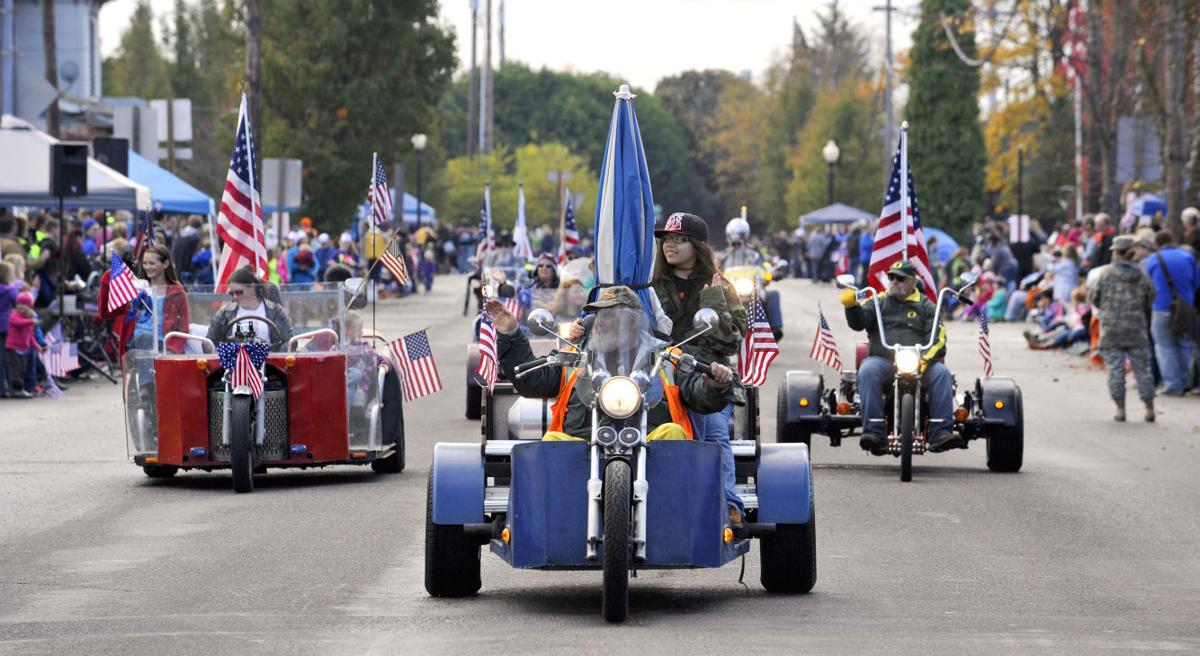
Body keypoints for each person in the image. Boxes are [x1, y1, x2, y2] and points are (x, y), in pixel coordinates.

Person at [486, 286, 732, 489]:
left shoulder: (667, 357)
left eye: (613, 315)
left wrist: (713, 385)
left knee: (672, 432)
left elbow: (699, 395)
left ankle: (672, 516)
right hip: (582, 444)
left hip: (650, 444)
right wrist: (511, 333)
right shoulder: (574, 356)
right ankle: (556, 520)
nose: (603, 322)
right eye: (600, 316)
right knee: (553, 440)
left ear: (635, 322)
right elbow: (531, 382)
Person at [652, 212, 747, 527]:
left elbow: (731, 340)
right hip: (656, 373)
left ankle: (728, 507)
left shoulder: (720, 286)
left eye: (679, 239)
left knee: (714, 432)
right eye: (667, 239)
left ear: (697, 245)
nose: (670, 245)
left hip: (707, 373)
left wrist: (712, 301)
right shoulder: (650, 285)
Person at [842, 260, 957, 453]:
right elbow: (859, 322)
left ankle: (940, 432)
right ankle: (874, 432)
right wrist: (852, 307)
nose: (894, 281)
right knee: (867, 370)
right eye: (891, 277)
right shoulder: (879, 301)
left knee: (942, 374)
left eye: (900, 278)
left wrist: (924, 360)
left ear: (913, 281)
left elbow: (938, 338)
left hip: (921, 362)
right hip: (884, 360)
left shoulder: (927, 306)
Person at [1087, 235, 1157, 421]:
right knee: (1142, 369)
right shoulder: (1141, 274)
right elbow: (1151, 296)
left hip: (1111, 328)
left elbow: (1094, 297)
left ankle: (1120, 409)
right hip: (1136, 327)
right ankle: (1149, 407)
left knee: (1116, 370)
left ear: (1116, 252)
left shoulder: (1105, 273)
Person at [97, 246, 190, 357]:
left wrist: (172, 350)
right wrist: (110, 276)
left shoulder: (177, 293)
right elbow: (106, 312)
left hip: (163, 346)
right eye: (145, 263)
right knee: (144, 339)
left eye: (152, 263)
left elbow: (183, 326)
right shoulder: (137, 287)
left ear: (165, 264)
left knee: (147, 339)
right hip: (135, 344)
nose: (147, 267)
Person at [1142, 230, 1196, 396]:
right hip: (1186, 307)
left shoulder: (1153, 259)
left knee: (1165, 346)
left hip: (1161, 306)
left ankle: (1173, 384)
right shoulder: (1187, 256)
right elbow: (1197, 281)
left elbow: (1146, 285)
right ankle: (1186, 380)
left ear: (1156, 244)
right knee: (1183, 343)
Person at [207, 267, 293, 351]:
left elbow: (290, 341)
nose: (235, 297)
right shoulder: (224, 313)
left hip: (269, 364)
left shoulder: (275, 311)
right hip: (233, 363)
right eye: (231, 293)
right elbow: (210, 342)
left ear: (252, 287)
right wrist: (224, 355)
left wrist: (272, 355)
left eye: (239, 292)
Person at [4, 292, 40, 398]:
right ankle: (16, 390)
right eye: (19, 303)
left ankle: (20, 389)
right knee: (15, 369)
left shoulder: (29, 318)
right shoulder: (14, 315)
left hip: (23, 348)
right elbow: (18, 322)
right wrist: (31, 321)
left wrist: (35, 345)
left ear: (29, 306)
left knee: (22, 370)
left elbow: (31, 335)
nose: (20, 306)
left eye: (23, 304)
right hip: (13, 347)